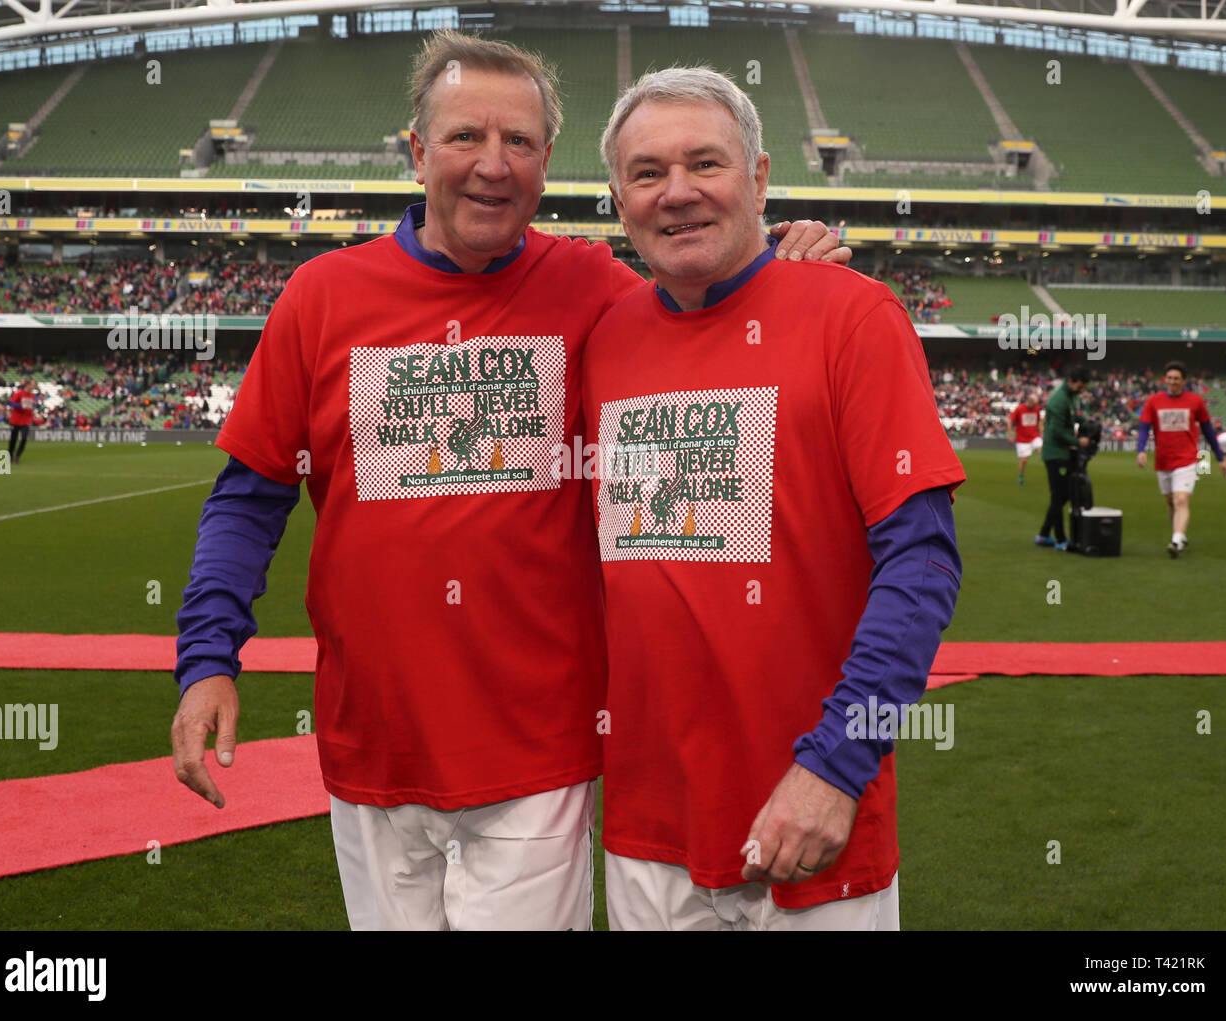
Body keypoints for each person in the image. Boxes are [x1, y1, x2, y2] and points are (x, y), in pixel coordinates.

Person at [170, 30, 849, 931]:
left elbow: (707, 302)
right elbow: (250, 494)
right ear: (417, 152)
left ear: (546, 162)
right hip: (370, 746)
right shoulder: (321, 297)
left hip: (539, 755)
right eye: (464, 138)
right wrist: (208, 656)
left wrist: (782, 268)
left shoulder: (598, 289)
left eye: (519, 143)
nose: (493, 166)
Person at [582, 67, 965, 930]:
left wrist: (838, 764)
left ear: (758, 179)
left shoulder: (854, 317)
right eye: (646, 173)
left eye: (705, 164)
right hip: (647, 832)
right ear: (618, 200)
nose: (676, 193)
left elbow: (924, 559)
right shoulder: (603, 336)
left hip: (814, 824)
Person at [1136, 361, 1223, 557]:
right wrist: (1140, 450)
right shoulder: (1153, 401)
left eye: (1177, 379)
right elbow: (1143, 428)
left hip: (1186, 458)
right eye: (1170, 378)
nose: (1173, 382)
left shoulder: (1196, 401)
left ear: (1184, 381)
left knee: (1181, 499)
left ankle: (1176, 540)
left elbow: (1208, 429)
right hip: (1163, 459)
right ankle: (1180, 534)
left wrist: (1219, 456)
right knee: (1170, 501)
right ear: (1165, 380)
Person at [1036, 366, 1090, 551]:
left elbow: (1072, 417)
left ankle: (1044, 535)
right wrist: (1077, 441)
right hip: (1055, 453)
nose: (1082, 390)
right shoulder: (1059, 399)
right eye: (1081, 386)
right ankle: (1060, 539)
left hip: (1062, 452)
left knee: (1060, 496)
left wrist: (1084, 420)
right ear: (1072, 381)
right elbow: (1056, 431)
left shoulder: (1071, 396)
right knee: (1060, 496)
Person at [1007, 391, 1042, 486]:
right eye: (1034, 404)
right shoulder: (1019, 409)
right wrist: (1010, 434)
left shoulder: (1037, 409)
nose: (1035, 406)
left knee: (1042, 450)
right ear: (1030, 401)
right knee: (1024, 460)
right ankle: (1021, 476)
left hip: (1034, 436)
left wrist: (1042, 433)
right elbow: (1010, 420)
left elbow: (1039, 422)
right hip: (1022, 439)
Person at [7, 377, 35, 464]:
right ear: (27, 385)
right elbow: (10, 403)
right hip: (16, 420)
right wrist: (20, 405)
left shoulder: (32, 395)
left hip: (26, 421)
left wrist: (32, 417)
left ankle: (17, 456)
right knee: (13, 440)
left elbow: (30, 408)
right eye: (32, 384)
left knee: (24, 438)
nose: (33, 386)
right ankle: (10, 455)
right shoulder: (19, 393)